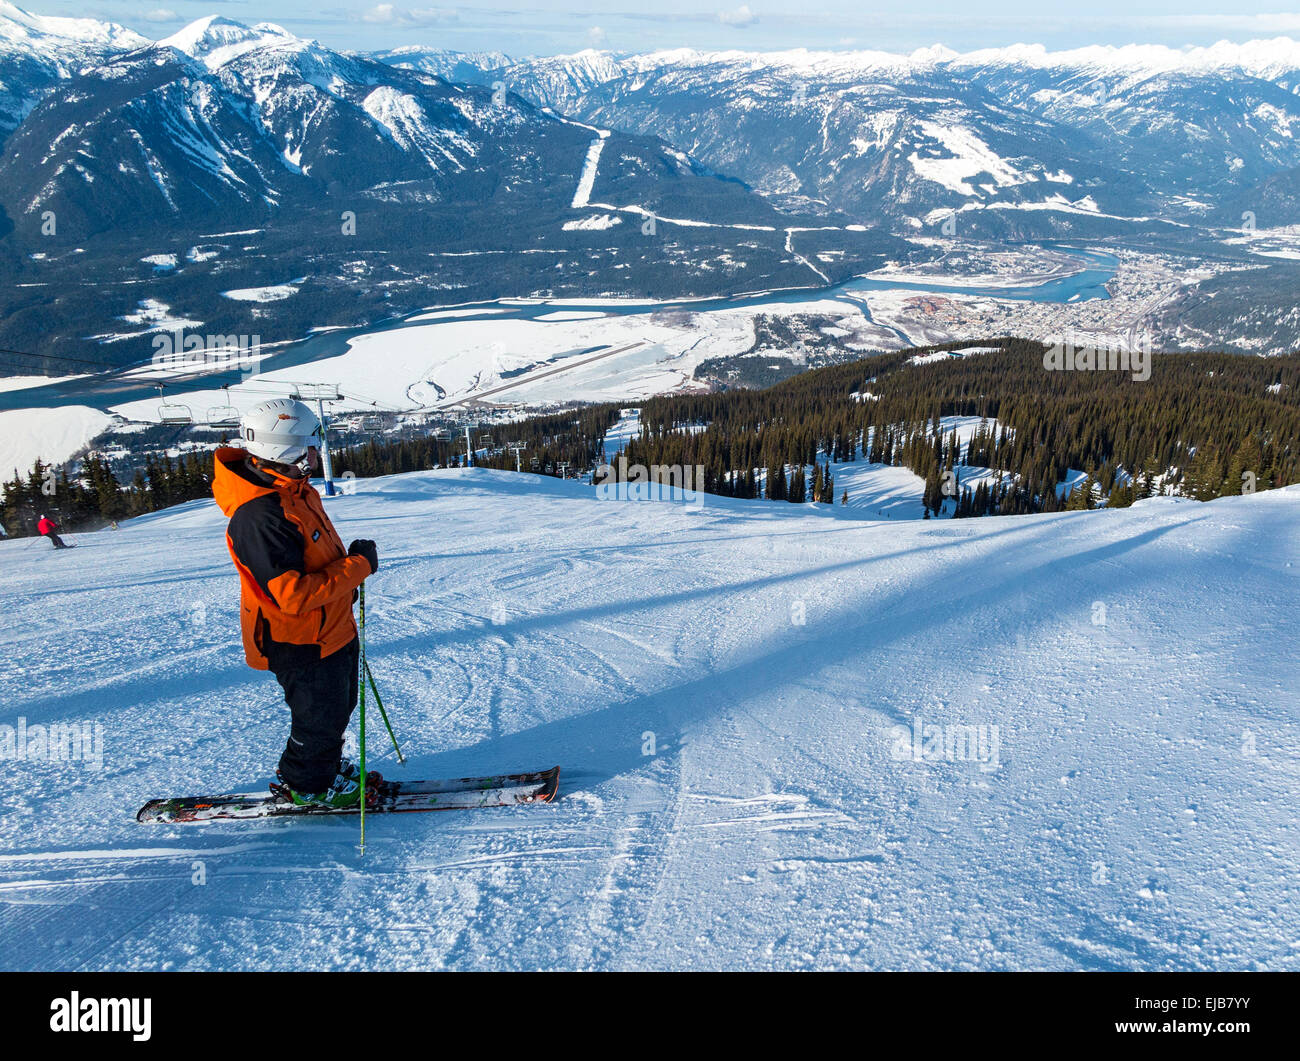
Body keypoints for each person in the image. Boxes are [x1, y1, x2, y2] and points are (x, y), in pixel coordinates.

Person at [212, 398, 379, 808]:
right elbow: (292, 596)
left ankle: (323, 767)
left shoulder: (294, 491)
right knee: (317, 718)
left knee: (338, 708)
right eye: (310, 443)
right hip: (298, 639)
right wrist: (357, 567)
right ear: (285, 450)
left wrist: (347, 570)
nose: (317, 451)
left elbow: (314, 559)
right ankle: (306, 786)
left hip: (330, 628)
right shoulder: (260, 517)